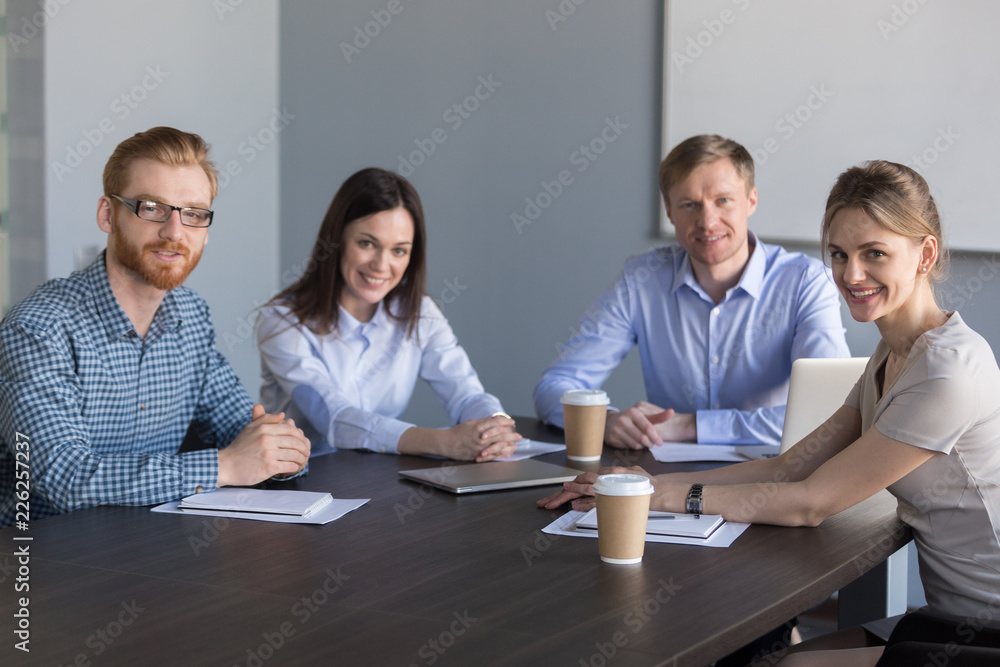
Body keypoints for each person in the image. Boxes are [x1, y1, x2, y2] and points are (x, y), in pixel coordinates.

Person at [540, 160, 1000, 666]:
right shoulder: (892, 354)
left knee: (790, 663)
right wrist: (646, 484)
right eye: (839, 254)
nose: (851, 275)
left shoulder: (946, 370)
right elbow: (790, 466)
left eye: (875, 253)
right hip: (948, 619)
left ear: (924, 254)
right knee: (768, 657)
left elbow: (810, 503)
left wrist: (660, 497)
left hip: (986, 629)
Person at [0, 127, 310, 528]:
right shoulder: (37, 329)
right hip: (48, 555)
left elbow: (242, 427)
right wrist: (226, 466)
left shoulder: (190, 315)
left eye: (193, 213)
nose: (174, 232)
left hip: (154, 547)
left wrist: (279, 452)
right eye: (151, 208)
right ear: (107, 215)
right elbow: (65, 478)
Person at [533, 134, 849, 449]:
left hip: (771, 472)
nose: (707, 222)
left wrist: (688, 425)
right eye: (689, 205)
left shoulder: (805, 281)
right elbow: (554, 386)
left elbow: (829, 411)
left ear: (751, 200)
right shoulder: (641, 280)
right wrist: (604, 420)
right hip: (664, 473)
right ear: (669, 211)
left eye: (723, 200)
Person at [257, 167, 520, 461]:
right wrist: (443, 442)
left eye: (399, 250)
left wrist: (494, 427)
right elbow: (335, 418)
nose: (382, 265)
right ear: (337, 240)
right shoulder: (281, 322)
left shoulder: (419, 313)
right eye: (367, 243)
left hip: (377, 476)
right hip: (302, 477)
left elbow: (465, 393)